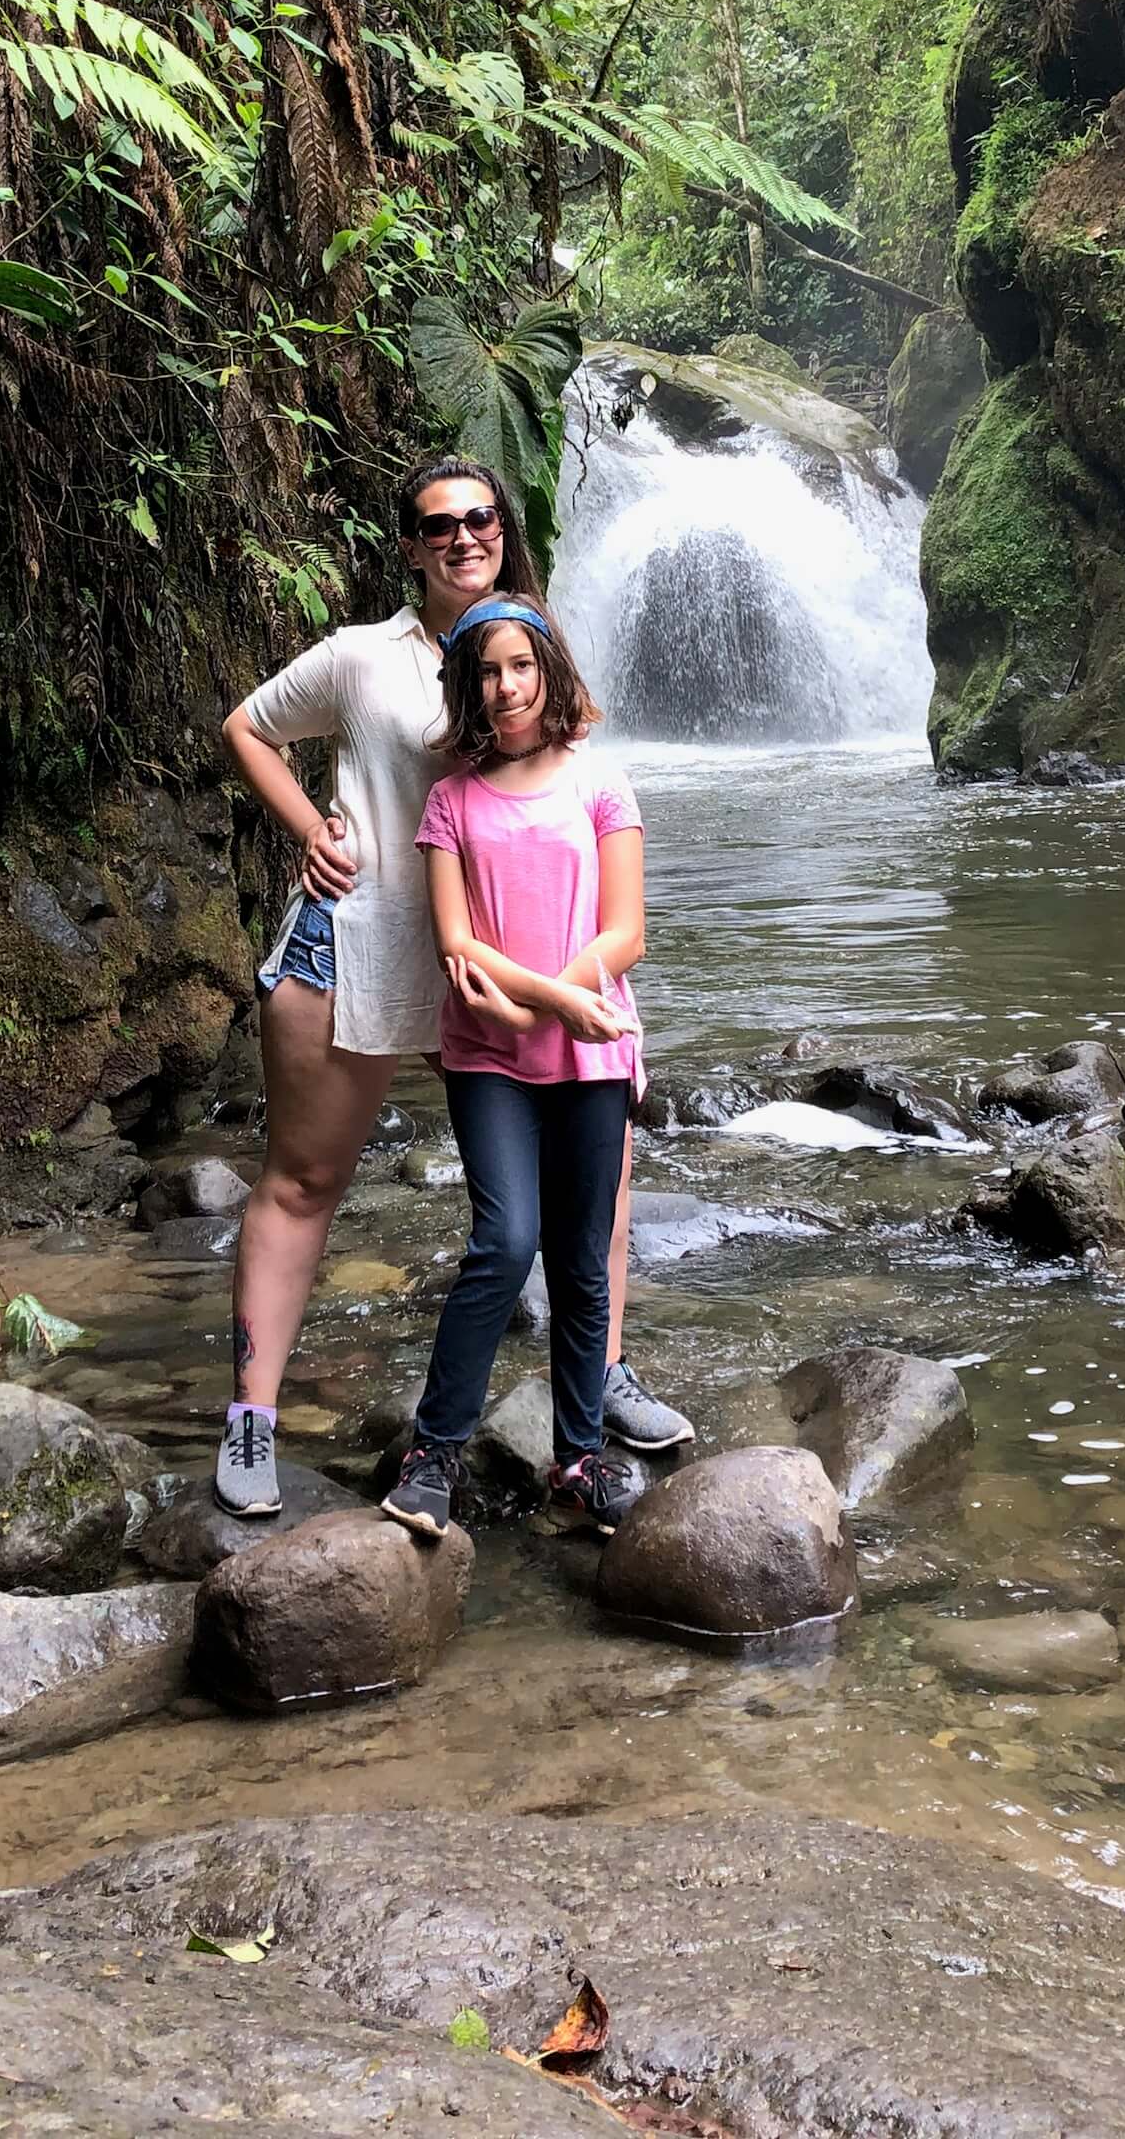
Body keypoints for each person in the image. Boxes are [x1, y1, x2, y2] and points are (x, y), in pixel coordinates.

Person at [215, 458, 690, 1517]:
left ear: (502, 530)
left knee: (592, 1195)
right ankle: (252, 1422)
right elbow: (247, 726)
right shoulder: (357, 658)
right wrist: (313, 829)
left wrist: (599, 993)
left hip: (528, 965)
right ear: (410, 544)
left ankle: (596, 1383)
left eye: (480, 518)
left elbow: (579, 819)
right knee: (303, 1182)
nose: (462, 536)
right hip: (378, 943)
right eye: (438, 525)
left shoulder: (532, 643)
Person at [380, 595, 646, 1541]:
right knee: (504, 1242)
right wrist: (559, 1001)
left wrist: (565, 1001)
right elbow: (456, 938)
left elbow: (627, 931)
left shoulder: (602, 785)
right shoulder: (451, 801)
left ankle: (576, 1463)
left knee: (580, 1264)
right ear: (468, 686)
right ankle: (433, 1454)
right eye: (487, 672)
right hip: (489, 1053)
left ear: (550, 671)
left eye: (521, 667)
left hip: (590, 1055)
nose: (506, 688)